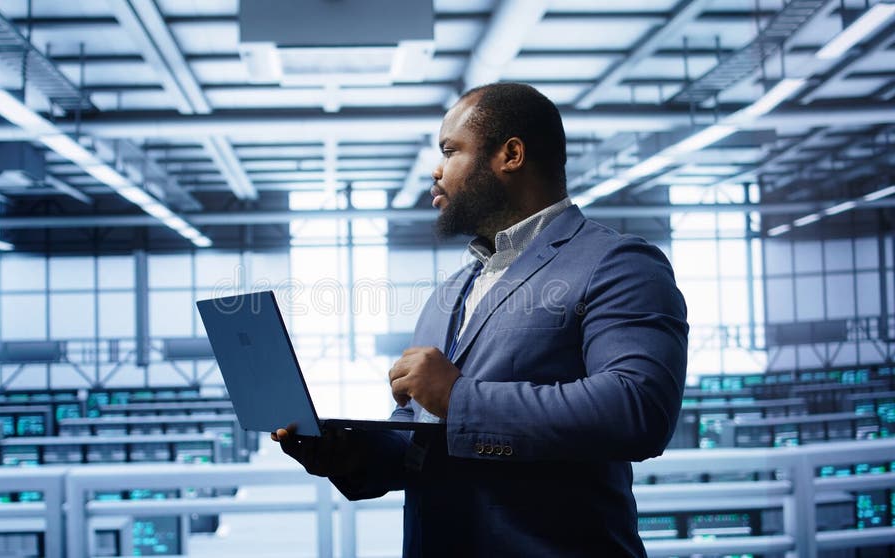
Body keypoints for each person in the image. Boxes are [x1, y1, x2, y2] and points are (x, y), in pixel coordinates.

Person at [273, 82, 688, 557]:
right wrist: (353, 455)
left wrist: (457, 395)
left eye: (450, 150)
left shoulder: (617, 263)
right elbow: (420, 431)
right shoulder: (450, 292)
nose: (435, 169)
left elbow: (639, 408)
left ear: (510, 154)